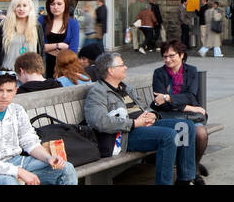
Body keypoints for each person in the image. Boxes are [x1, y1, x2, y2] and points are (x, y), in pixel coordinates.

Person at [83, 52, 199, 185]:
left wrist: (153, 114)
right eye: (122, 65)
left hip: (145, 125)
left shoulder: (125, 88)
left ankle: (185, 180)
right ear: (111, 70)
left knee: (186, 126)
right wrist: (134, 123)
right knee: (168, 136)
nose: (126, 67)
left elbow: (144, 106)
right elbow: (99, 122)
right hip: (125, 134)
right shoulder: (98, 92)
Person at [0, 71, 78, 185]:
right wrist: (18, 171)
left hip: (14, 162)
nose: (4, 96)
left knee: (66, 169)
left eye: (9, 91)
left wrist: (48, 157)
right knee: (8, 182)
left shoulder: (16, 110)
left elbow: (29, 141)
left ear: (15, 91)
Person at [151, 39, 209, 177]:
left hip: (188, 115)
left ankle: (194, 166)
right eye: (165, 56)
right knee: (180, 131)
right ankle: (186, 168)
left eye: (172, 55)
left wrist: (168, 97)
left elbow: (191, 95)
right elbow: (160, 103)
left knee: (201, 134)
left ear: (181, 55)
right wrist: (189, 107)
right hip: (168, 115)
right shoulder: (159, 73)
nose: (168, 60)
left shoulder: (191, 71)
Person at [40, 0, 80, 79]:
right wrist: (59, 45)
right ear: (48, 6)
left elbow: (73, 50)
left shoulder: (73, 24)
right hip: (44, 67)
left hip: (65, 67)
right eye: (52, 4)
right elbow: (38, 46)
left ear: (65, 5)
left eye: (59, 4)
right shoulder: (42, 21)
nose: (55, 7)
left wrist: (48, 49)